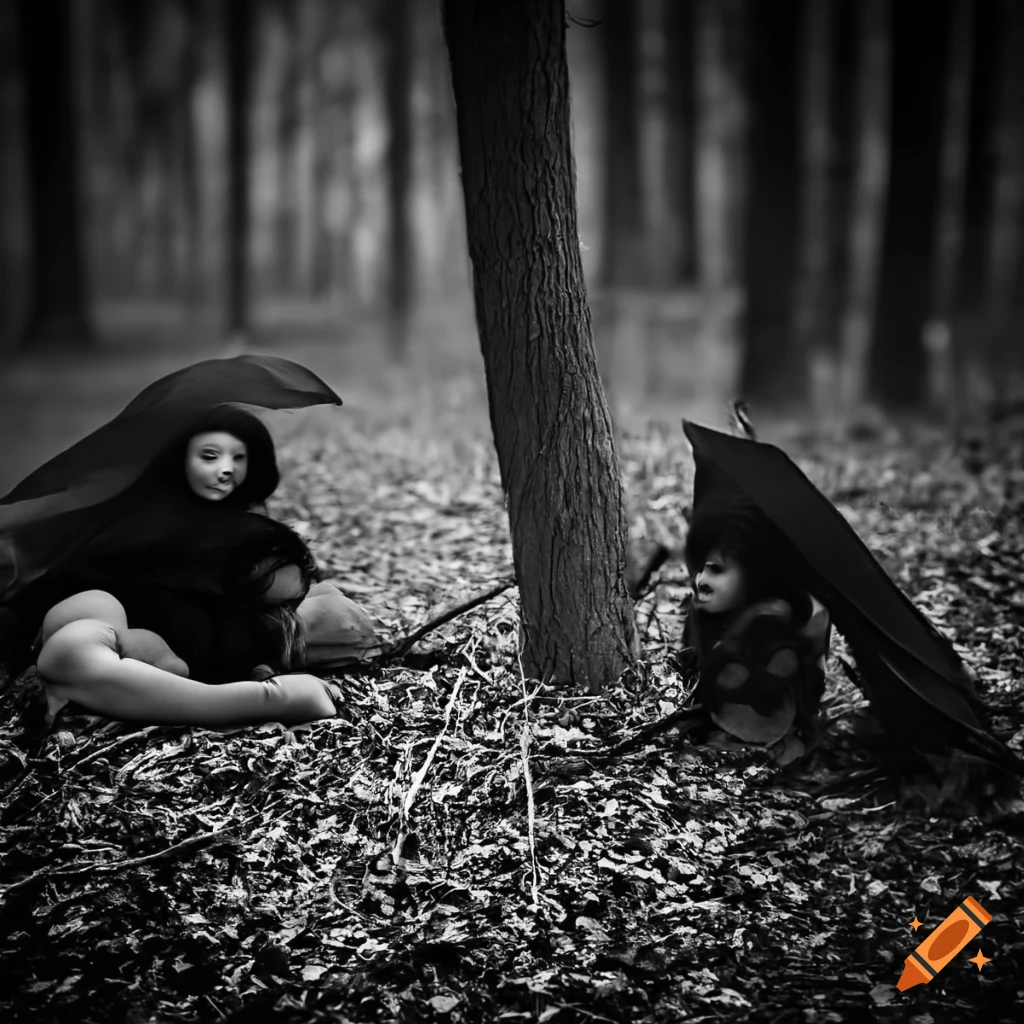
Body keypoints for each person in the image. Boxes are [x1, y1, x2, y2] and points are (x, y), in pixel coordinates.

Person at [681, 496, 831, 765]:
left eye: (716, 569)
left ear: (755, 571)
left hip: (777, 722)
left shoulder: (795, 612)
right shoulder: (705, 613)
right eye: (699, 569)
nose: (700, 579)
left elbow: (811, 684)